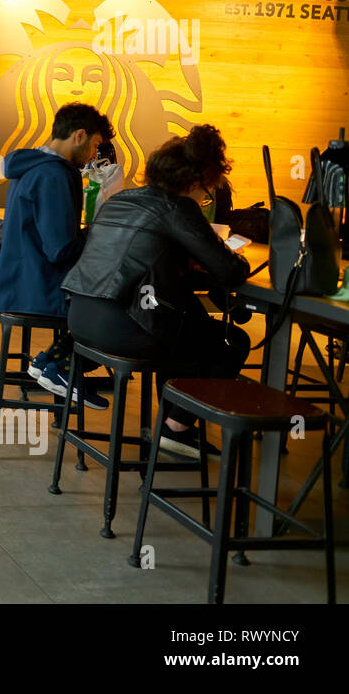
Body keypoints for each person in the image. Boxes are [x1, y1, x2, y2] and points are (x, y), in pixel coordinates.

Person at [62, 125, 251, 458]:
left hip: (80, 319)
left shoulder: (119, 200)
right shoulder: (178, 207)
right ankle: (176, 427)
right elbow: (229, 269)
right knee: (227, 341)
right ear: (194, 183)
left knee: (185, 323)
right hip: (123, 327)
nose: (205, 198)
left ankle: (173, 425)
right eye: (207, 191)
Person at [0, 102, 113, 409]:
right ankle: (59, 366)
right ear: (79, 135)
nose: (95, 155)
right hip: (39, 289)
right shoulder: (56, 176)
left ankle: (53, 362)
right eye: (96, 145)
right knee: (114, 308)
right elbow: (60, 250)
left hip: (15, 282)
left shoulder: (30, 165)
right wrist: (97, 230)